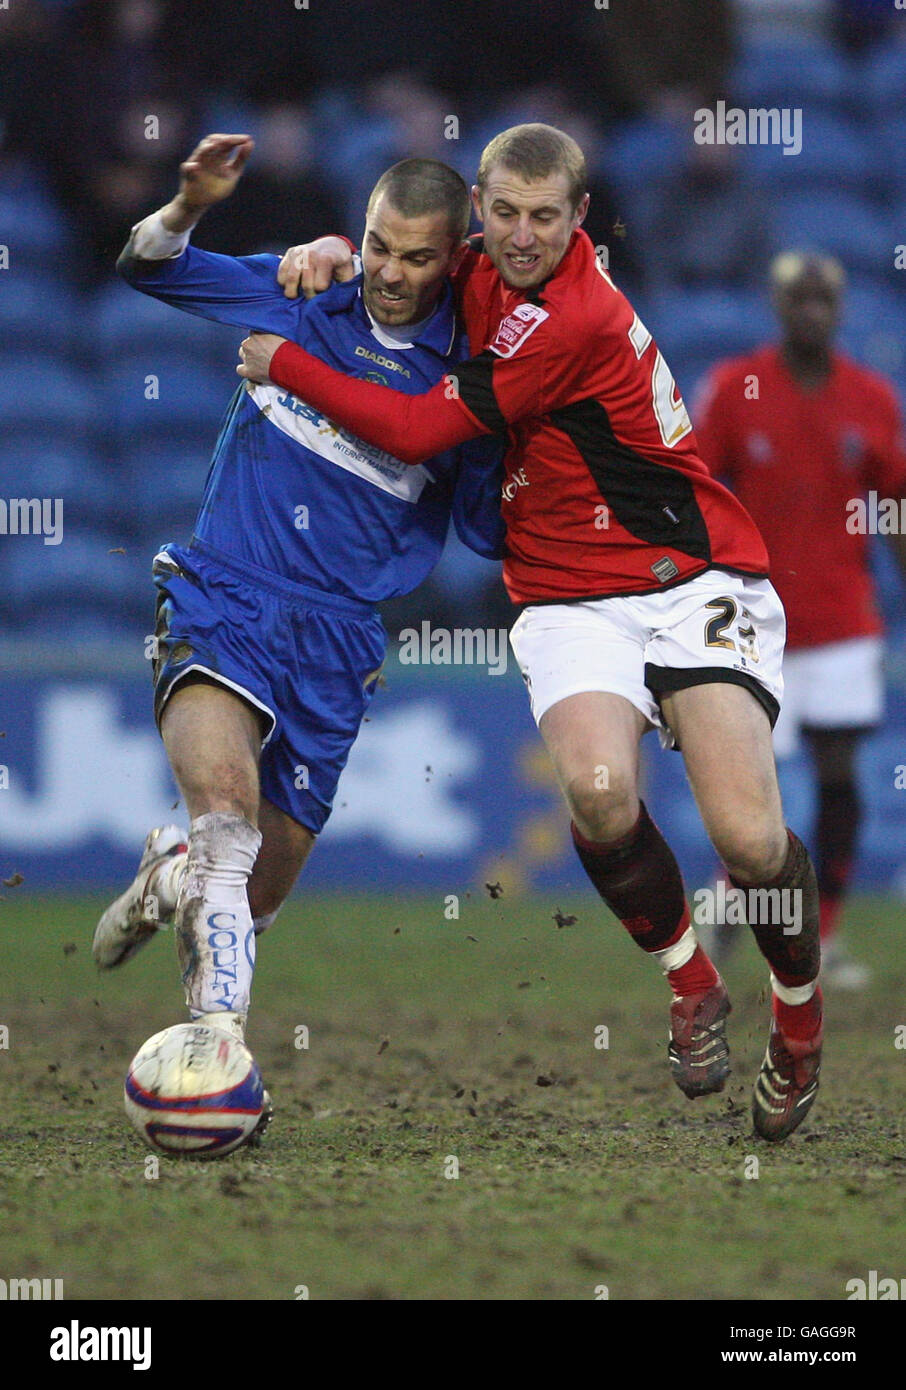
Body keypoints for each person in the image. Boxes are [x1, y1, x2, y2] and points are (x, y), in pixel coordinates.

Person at [236, 122, 825, 1143]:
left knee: (748, 837)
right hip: (564, 590)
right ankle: (690, 980)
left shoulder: (576, 317)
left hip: (690, 574)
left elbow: (419, 427)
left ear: (578, 218)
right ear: (479, 207)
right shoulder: (465, 264)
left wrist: (285, 360)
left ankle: (801, 1021)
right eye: (502, 212)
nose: (520, 234)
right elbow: (397, 260)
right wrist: (335, 253)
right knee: (598, 799)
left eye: (543, 216)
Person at [92, 134, 505, 1140]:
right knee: (227, 817)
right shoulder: (299, 297)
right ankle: (218, 1047)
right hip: (223, 594)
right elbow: (144, 265)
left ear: (455, 259)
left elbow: (491, 530)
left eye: (417, 257)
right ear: (356, 236)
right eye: (377, 247)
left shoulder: (469, 382)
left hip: (337, 642)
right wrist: (190, 204)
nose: (391, 273)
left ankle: (170, 877)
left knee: (252, 888)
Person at [693, 250, 906, 988]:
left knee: (841, 779)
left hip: (844, 619)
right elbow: (693, 487)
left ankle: (830, 934)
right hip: (752, 619)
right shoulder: (735, 388)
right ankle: (730, 898)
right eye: (798, 299)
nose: (811, 311)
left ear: (840, 309)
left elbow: (896, 502)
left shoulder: (872, 397)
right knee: (753, 780)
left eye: (824, 299)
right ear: (776, 306)